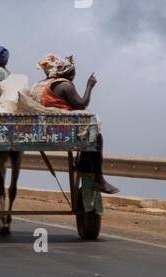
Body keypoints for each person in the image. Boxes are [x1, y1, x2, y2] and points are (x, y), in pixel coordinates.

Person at [33, 54, 119, 194]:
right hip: (59, 131)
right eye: (73, 72)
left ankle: (84, 165)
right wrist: (89, 86)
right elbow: (81, 104)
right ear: (68, 72)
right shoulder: (64, 85)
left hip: (40, 130)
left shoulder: (39, 85)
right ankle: (98, 178)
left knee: (87, 132)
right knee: (96, 137)